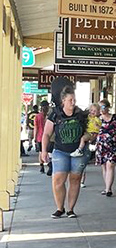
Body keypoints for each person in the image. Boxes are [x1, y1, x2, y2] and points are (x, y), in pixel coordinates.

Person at [40, 86, 88, 218]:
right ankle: (59, 208)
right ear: (63, 101)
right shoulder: (55, 114)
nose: (73, 102)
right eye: (70, 100)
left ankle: (71, 209)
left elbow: (92, 132)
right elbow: (46, 134)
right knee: (58, 180)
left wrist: (86, 137)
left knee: (75, 179)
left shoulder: (81, 114)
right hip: (60, 150)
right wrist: (43, 151)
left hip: (78, 152)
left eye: (74, 100)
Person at [95, 100, 116, 197]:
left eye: (103, 107)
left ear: (108, 107)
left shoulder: (115, 118)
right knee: (104, 166)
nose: (101, 109)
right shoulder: (98, 119)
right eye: (99, 107)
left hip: (114, 145)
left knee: (110, 165)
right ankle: (107, 187)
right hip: (101, 146)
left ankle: (108, 189)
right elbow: (93, 130)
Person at [76, 104, 102, 186]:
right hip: (85, 137)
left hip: (89, 137)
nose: (92, 112)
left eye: (95, 111)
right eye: (91, 110)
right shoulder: (86, 118)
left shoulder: (97, 119)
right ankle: (79, 180)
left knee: (82, 162)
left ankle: (82, 181)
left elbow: (100, 129)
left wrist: (96, 129)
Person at [34, 100, 49, 173]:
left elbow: (36, 128)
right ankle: (49, 164)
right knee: (49, 151)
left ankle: (41, 166)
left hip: (40, 137)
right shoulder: (49, 116)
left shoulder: (37, 116)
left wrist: (35, 137)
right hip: (49, 137)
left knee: (40, 151)